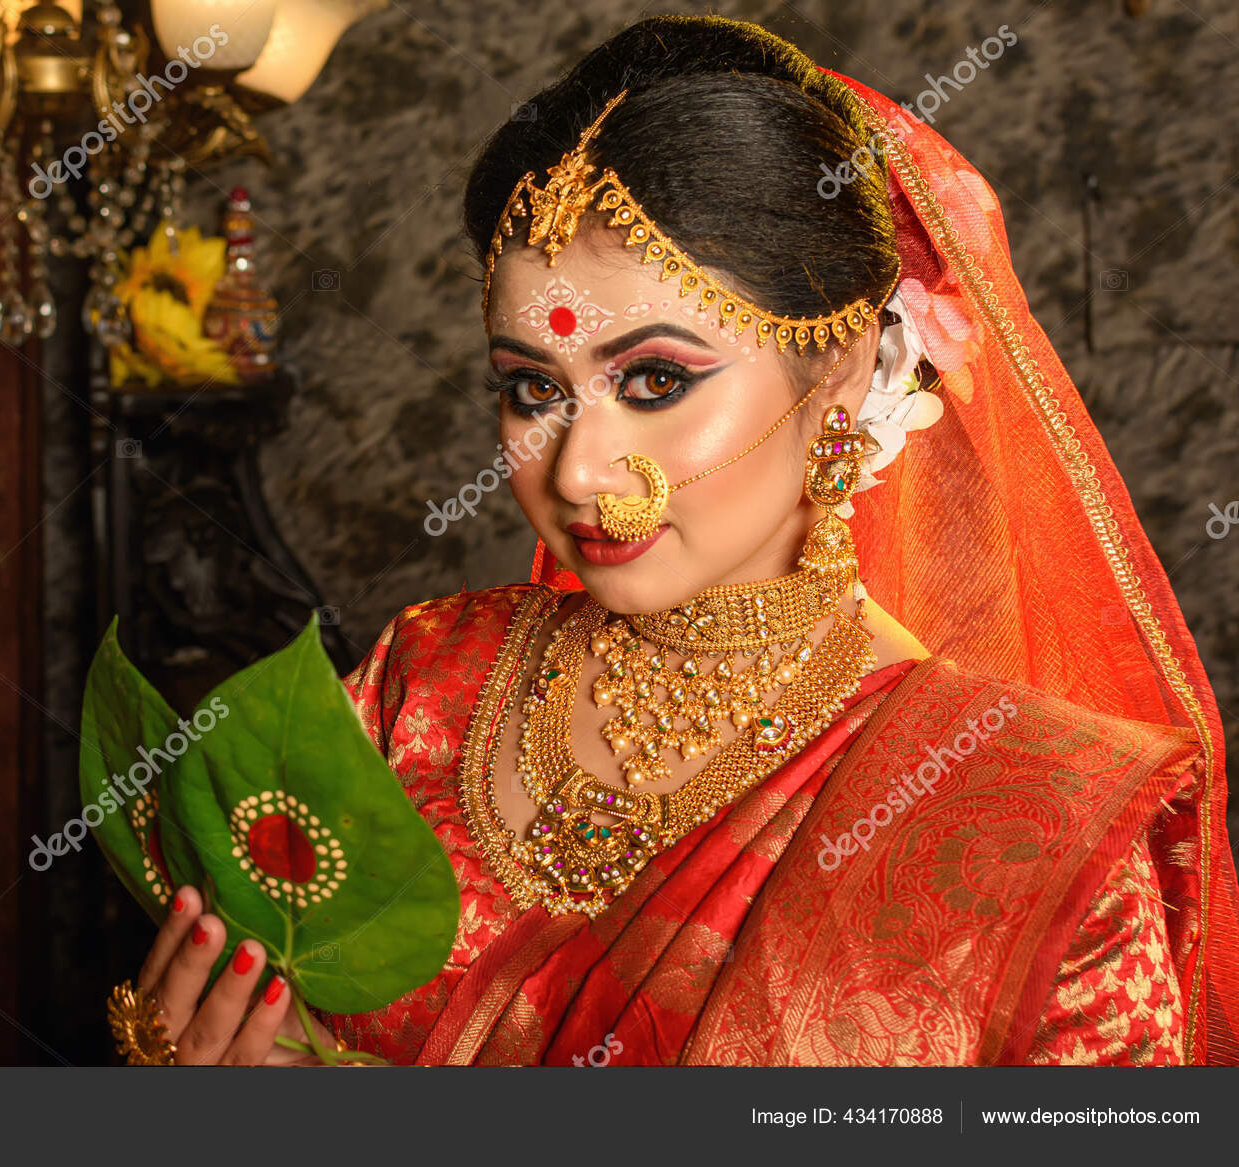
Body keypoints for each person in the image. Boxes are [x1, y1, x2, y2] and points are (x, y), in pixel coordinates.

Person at [122, 14, 1239, 1065]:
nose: (574, 471)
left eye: (655, 379)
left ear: (843, 374)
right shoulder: (421, 688)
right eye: (529, 388)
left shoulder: (1025, 818)